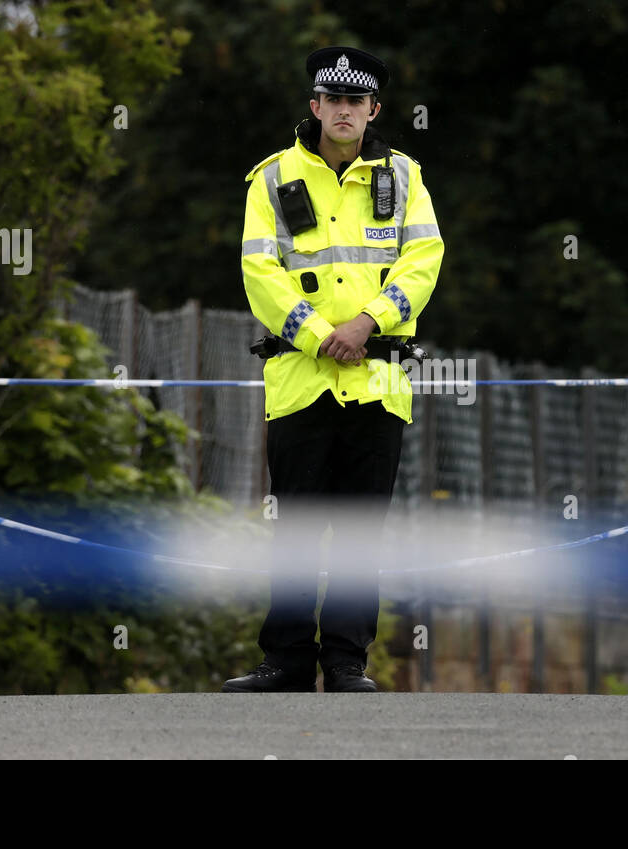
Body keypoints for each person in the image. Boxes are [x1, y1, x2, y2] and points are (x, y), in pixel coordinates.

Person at [225, 46, 444, 693]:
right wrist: (322, 335)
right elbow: (258, 271)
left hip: (378, 382)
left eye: (357, 101)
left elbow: (423, 259)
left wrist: (366, 322)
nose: (344, 111)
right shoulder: (270, 178)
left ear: (373, 109)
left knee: (358, 531)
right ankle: (286, 660)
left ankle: (347, 662)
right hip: (301, 379)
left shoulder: (406, 176)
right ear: (315, 106)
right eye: (333, 100)